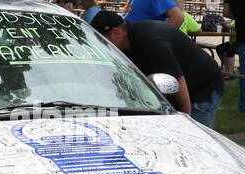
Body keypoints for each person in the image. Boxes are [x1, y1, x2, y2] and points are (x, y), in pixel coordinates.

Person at [92, 11, 224, 128]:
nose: (102, 47)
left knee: (195, 139)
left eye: (102, 41)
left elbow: (177, 81)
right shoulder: (125, 44)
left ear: (116, 32)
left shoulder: (151, 42)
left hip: (203, 87)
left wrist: (186, 121)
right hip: (176, 87)